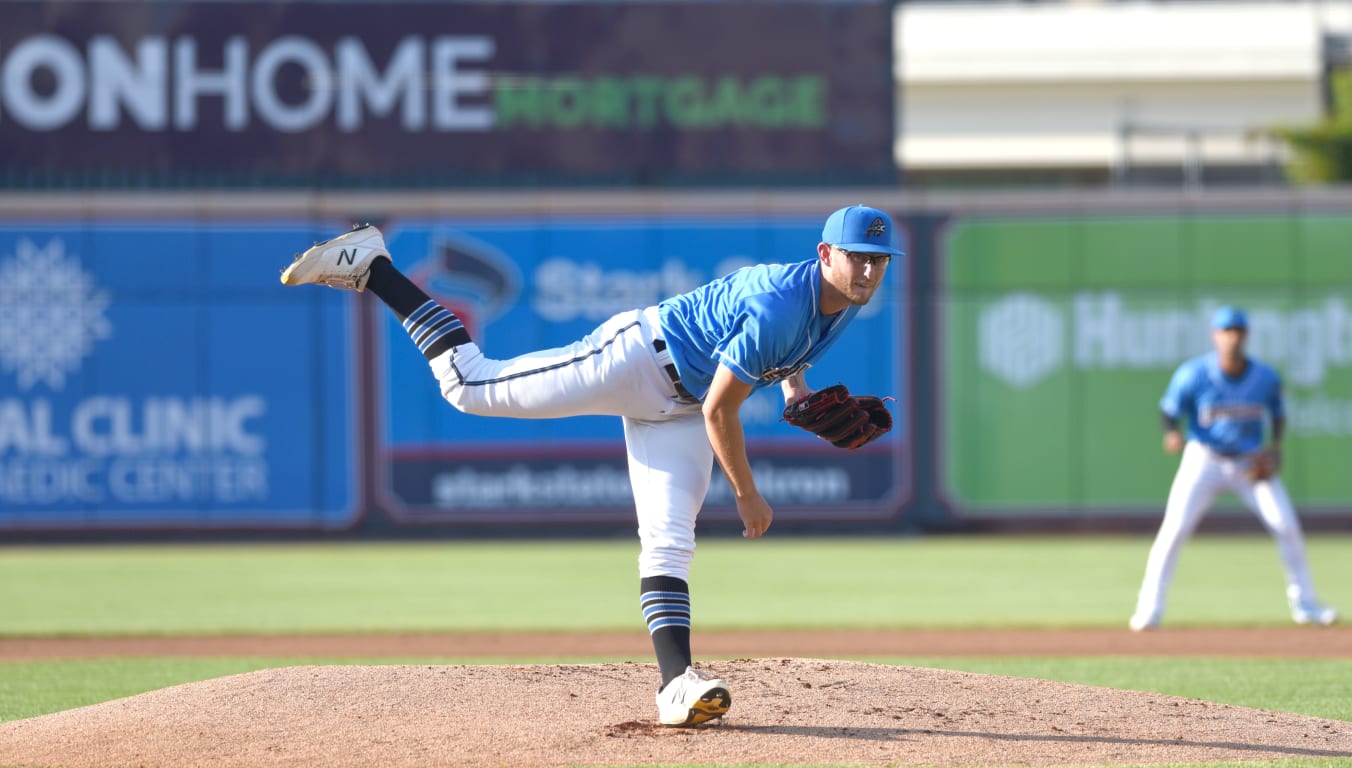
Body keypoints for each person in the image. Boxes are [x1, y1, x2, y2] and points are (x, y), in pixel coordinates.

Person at [278, 205, 903, 725]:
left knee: (667, 543)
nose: (869, 270)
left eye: (878, 260)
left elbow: (777, 353)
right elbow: (722, 411)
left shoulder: (842, 297)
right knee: (468, 385)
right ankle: (374, 267)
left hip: (677, 407)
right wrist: (746, 493)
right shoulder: (782, 303)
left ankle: (676, 687)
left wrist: (794, 391)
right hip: (635, 360)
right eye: (858, 257)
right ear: (825, 254)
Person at [1129, 305, 1338, 631]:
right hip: (1204, 460)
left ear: (1246, 336)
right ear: (1215, 336)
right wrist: (1171, 433)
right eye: (1226, 331)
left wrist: (1276, 449)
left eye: (1238, 331)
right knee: (1174, 531)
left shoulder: (1265, 377)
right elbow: (1169, 411)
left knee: (1287, 526)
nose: (1232, 337)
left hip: (1249, 463)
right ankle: (1149, 609)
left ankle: (1306, 605)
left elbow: (1278, 415)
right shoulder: (1194, 374)